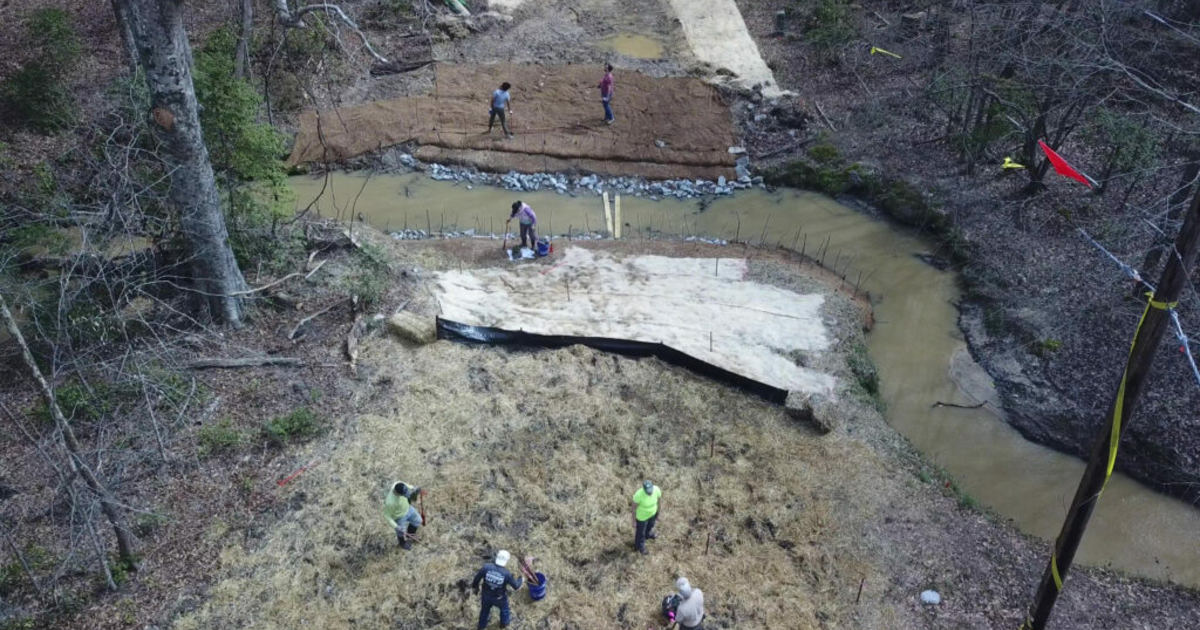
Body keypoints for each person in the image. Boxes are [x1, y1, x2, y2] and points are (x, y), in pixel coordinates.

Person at [472, 549, 524, 629]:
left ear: (497, 558)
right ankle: (504, 624)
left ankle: (481, 626)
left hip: (485, 595)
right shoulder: (506, 574)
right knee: (504, 609)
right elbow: (516, 586)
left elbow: (476, 579)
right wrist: (521, 579)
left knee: (484, 611)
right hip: (499, 598)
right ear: (506, 561)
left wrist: (475, 588)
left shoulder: (486, 567)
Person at [383, 480, 422, 550]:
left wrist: (413, 488)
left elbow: (406, 485)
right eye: (405, 494)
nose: (408, 494)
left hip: (409, 509)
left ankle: (410, 536)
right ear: (399, 494)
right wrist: (396, 526)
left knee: (418, 521)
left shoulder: (398, 484)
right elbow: (386, 516)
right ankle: (402, 543)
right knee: (400, 532)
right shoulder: (390, 502)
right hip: (400, 517)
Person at [631, 479, 661, 555]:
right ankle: (639, 546)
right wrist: (634, 521)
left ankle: (648, 534)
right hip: (642, 517)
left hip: (652, 514)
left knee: (651, 525)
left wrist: (658, 514)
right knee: (641, 532)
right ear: (644, 489)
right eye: (647, 491)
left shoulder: (657, 490)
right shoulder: (638, 495)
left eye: (650, 490)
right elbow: (633, 509)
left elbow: (659, 502)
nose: (649, 492)